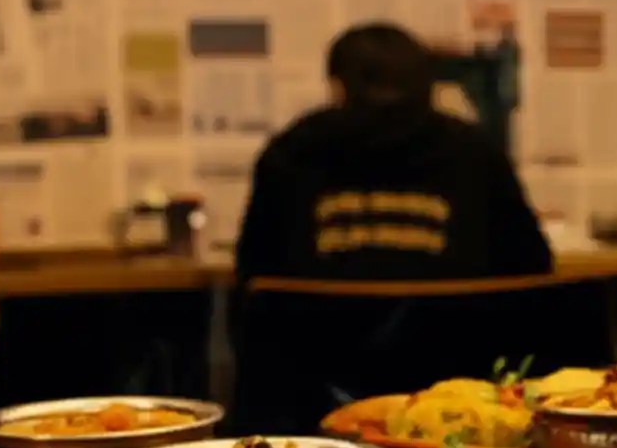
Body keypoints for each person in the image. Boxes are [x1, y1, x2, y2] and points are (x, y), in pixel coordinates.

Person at [234, 23, 552, 290]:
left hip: (317, 360)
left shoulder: (291, 153)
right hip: (454, 358)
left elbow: (253, 281)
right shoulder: (475, 154)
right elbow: (532, 270)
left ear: (337, 87)